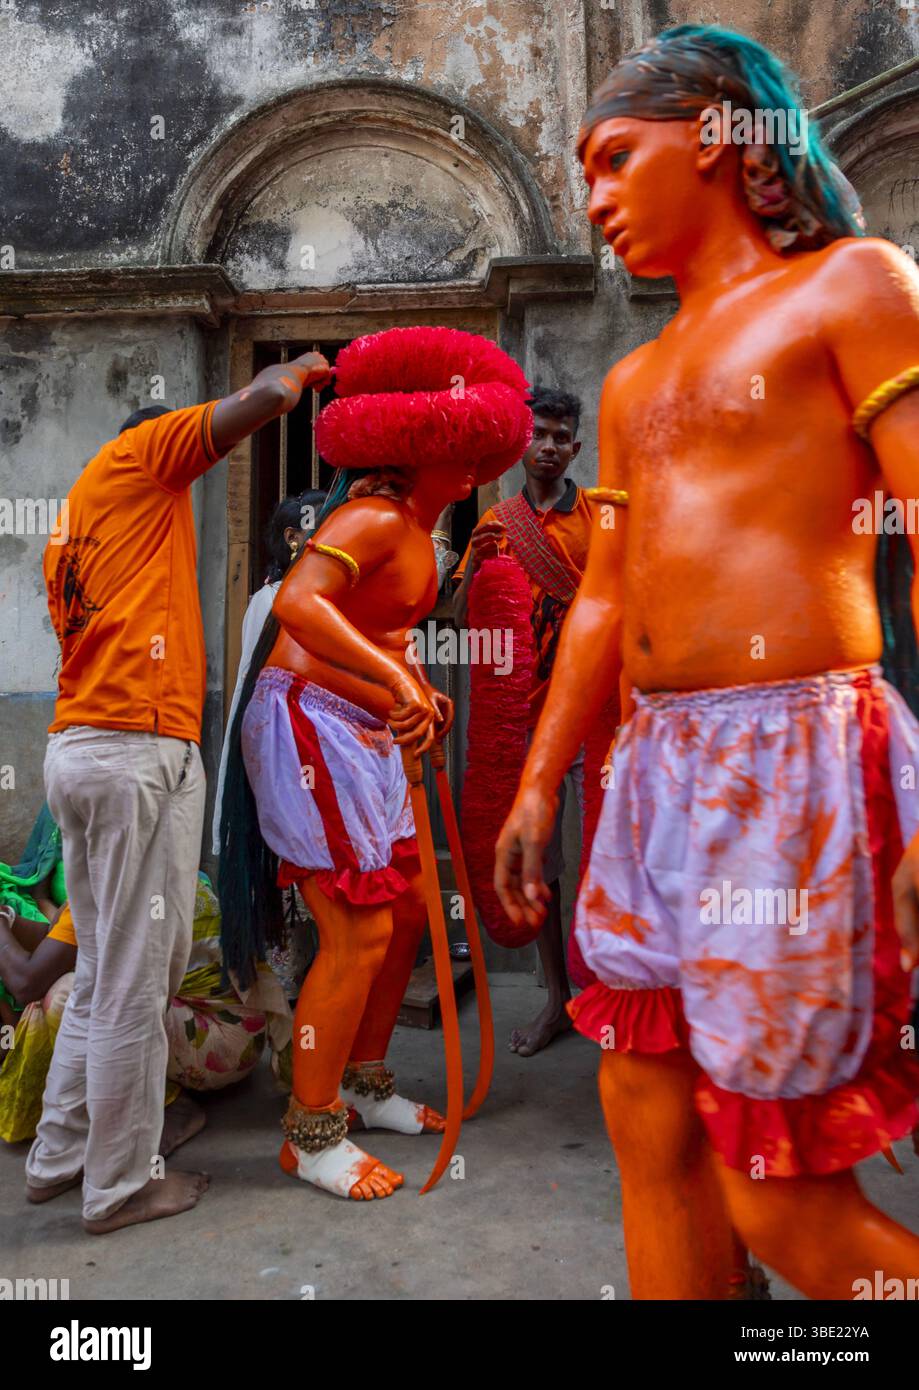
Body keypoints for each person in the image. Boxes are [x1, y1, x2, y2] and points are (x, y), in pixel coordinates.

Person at [495, 24, 919, 1299]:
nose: (598, 200)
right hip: (651, 771)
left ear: (730, 141)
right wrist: (534, 783)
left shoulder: (854, 287)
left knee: (780, 1200)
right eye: (585, 177)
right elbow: (601, 604)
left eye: (619, 157)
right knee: (644, 1112)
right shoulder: (631, 381)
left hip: (792, 761)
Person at [219, 325, 531, 1200]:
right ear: (422, 448)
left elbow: (380, 630)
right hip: (308, 729)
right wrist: (396, 674)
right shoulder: (369, 517)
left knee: (402, 917)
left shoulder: (419, 530)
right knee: (355, 928)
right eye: (462, 451)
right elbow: (300, 603)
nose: (474, 469)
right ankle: (308, 1133)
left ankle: (362, 1081)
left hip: (366, 735)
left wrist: (411, 685)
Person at [29, 349, 331, 1234]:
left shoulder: (75, 520)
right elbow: (267, 394)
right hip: (134, 754)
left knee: (101, 972)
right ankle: (120, 1186)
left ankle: (61, 1154)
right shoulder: (139, 459)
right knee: (132, 980)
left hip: (83, 750)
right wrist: (310, 368)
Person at [453, 387, 594, 1056]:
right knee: (540, 861)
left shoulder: (598, 516)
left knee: (607, 854)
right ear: (519, 442)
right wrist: (473, 570)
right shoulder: (495, 521)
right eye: (536, 432)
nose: (546, 444)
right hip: (522, 722)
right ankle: (557, 1000)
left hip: (592, 711)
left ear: (575, 447)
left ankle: (613, 992)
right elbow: (457, 624)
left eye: (559, 434)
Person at [0, 876, 288, 1145]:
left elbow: (27, 984)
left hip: (222, 1040)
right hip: (232, 1029)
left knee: (66, 997)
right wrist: (7, 919)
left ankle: (174, 1106)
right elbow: (56, 944)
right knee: (86, 983)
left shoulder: (111, 885)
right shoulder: (139, 863)